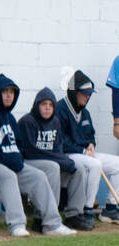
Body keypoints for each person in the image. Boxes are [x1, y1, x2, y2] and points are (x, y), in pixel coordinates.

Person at [0, 74, 74, 237]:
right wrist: (7, 160)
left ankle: (52, 224)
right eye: (5, 91)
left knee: (38, 176)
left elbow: (19, 146)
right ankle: (16, 225)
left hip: (9, 163)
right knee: (8, 177)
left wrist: (15, 159)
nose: (9, 95)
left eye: (12, 92)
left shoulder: (10, 118)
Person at [17, 88, 93, 231]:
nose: (47, 108)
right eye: (44, 104)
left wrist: (64, 161)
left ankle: (73, 215)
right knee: (53, 167)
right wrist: (61, 160)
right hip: (29, 161)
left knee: (78, 168)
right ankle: (43, 217)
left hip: (49, 160)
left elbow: (58, 149)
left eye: (51, 105)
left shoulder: (55, 122)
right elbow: (31, 151)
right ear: (37, 105)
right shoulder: (27, 122)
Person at [59, 70, 119, 223]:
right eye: (84, 93)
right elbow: (61, 141)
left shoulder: (84, 112)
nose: (88, 97)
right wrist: (82, 150)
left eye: (89, 94)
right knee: (95, 164)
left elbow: (90, 134)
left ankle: (111, 208)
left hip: (85, 153)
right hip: (67, 155)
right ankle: (87, 210)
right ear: (74, 92)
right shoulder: (60, 109)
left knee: (117, 164)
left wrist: (91, 145)